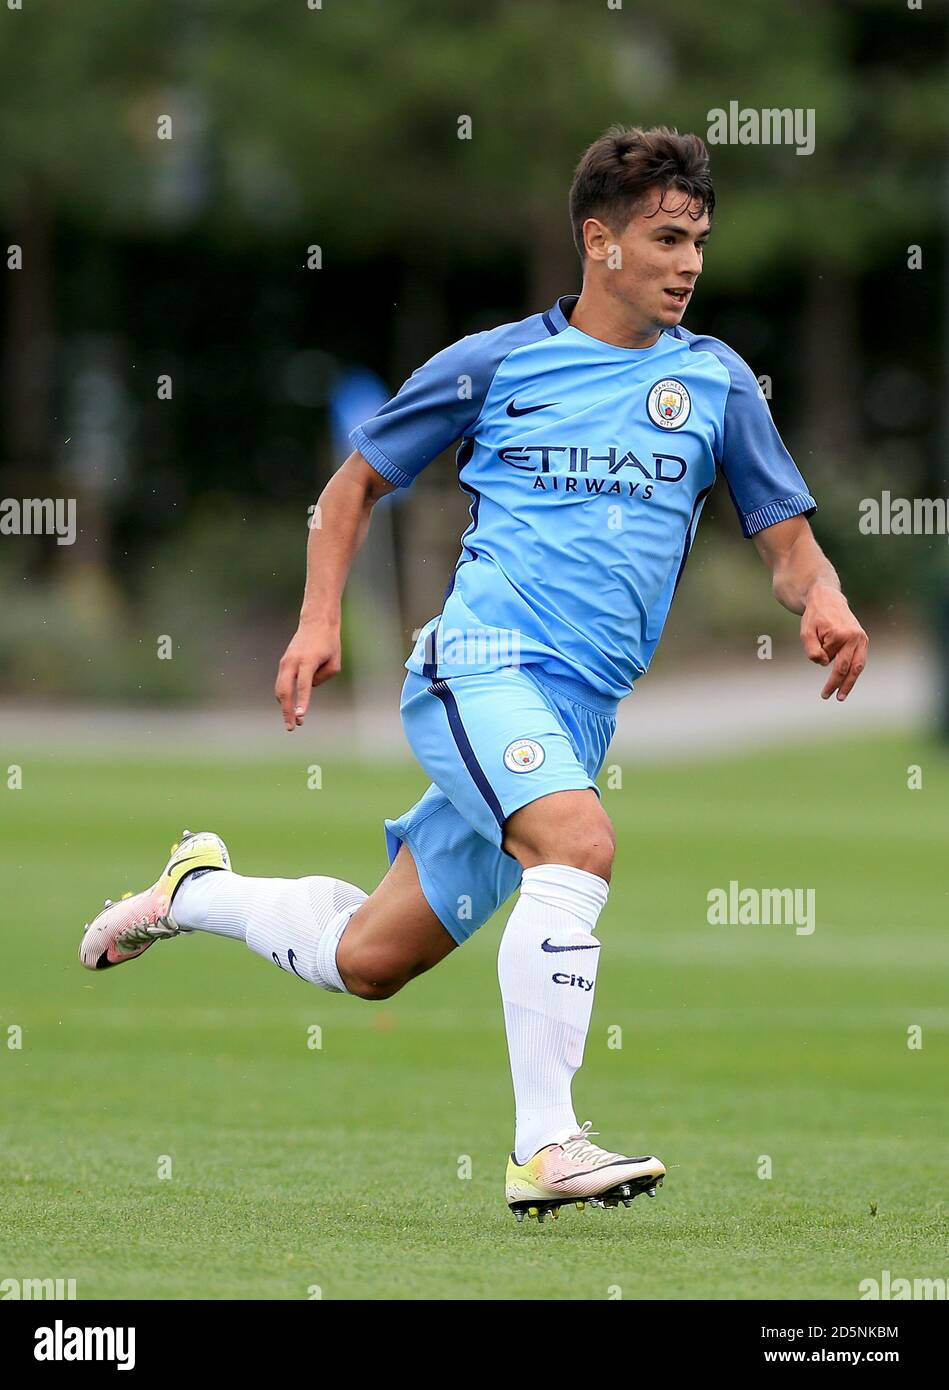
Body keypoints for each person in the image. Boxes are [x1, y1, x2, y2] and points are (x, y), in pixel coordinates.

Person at [79, 124, 868, 1223]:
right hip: (479, 669)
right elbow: (351, 487)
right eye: (666, 237)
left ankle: (193, 889)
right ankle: (544, 1144)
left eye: (698, 241)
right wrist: (317, 622)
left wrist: (822, 595)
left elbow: (782, 538)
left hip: (578, 715)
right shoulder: (494, 363)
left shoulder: (717, 382)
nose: (689, 262)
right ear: (598, 242)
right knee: (578, 842)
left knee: (369, 960)